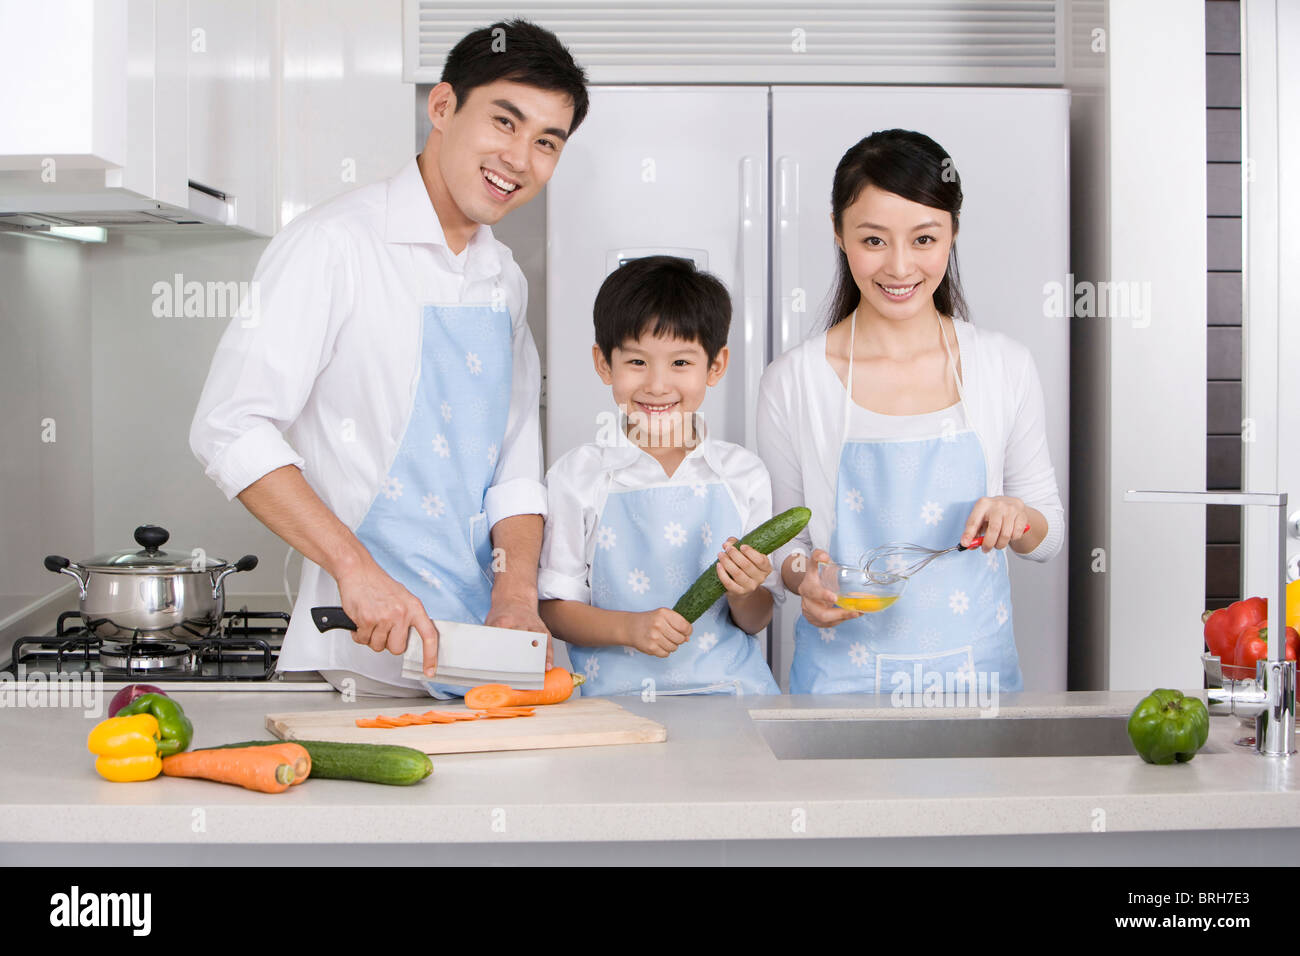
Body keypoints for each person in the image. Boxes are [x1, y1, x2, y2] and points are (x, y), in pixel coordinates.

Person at [189, 20, 588, 697]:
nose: (520, 159)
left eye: (545, 142)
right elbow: (228, 426)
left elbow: (514, 461)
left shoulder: (505, 280)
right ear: (442, 108)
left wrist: (517, 593)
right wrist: (356, 568)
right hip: (362, 656)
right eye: (505, 122)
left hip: (484, 657)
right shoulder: (333, 246)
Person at [756, 129, 1064, 695]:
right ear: (838, 233)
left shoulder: (1004, 366)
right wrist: (807, 583)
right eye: (873, 241)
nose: (900, 268)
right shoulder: (793, 382)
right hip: (838, 691)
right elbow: (783, 548)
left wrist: (1015, 515)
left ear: (952, 234)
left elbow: (1047, 536)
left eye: (924, 239)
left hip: (978, 688)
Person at [537, 256, 781, 696]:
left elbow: (758, 618)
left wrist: (745, 591)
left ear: (716, 365)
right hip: (615, 706)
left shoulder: (743, 474)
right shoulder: (577, 476)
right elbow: (555, 609)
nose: (656, 385)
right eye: (636, 362)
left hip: (733, 697)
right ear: (604, 363)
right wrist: (630, 629)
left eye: (681, 363)